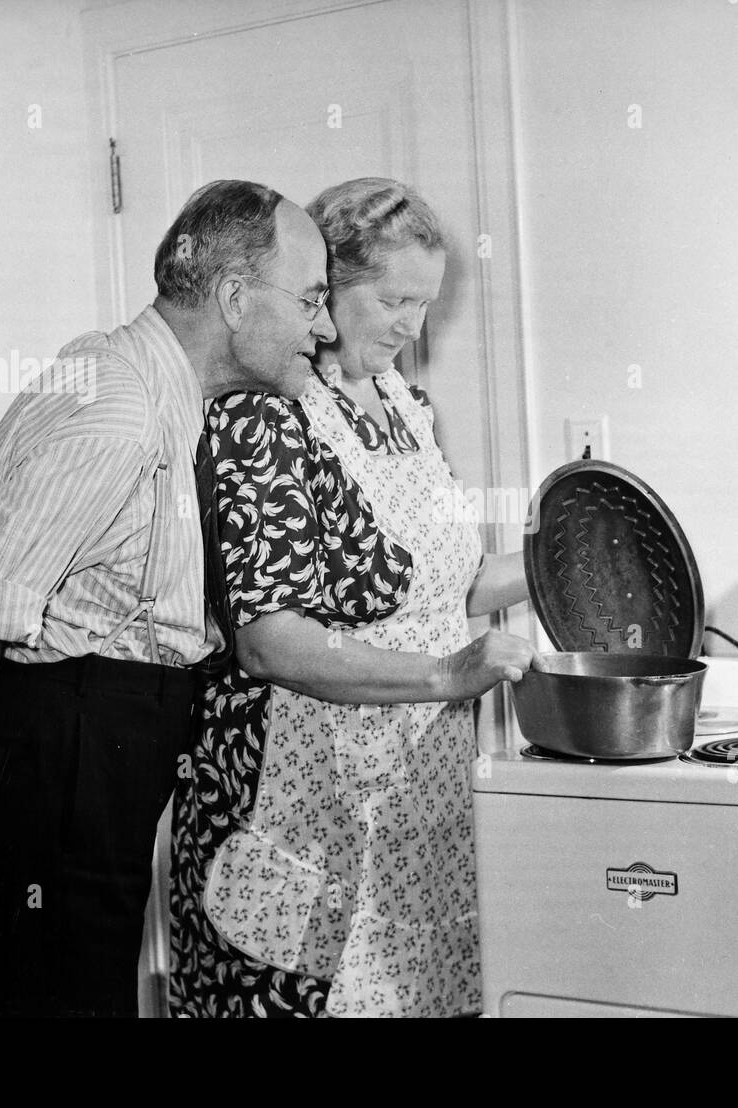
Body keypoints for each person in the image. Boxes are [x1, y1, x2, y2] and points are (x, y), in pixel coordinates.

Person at [0, 180, 336, 1018]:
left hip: (82, 759)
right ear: (233, 296)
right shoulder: (115, 404)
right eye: (310, 300)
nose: (323, 328)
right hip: (60, 776)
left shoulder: (152, 393)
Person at [169, 177, 534, 1018]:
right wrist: (449, 671)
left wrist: (571, 558)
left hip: (419, 784)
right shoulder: (267, 417)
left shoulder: (409, 406)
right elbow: (271, 640)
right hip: (302, 789)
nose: (413, 326)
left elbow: (443, 590)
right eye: (394, 299)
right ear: (326, 287)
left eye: (427, 303)